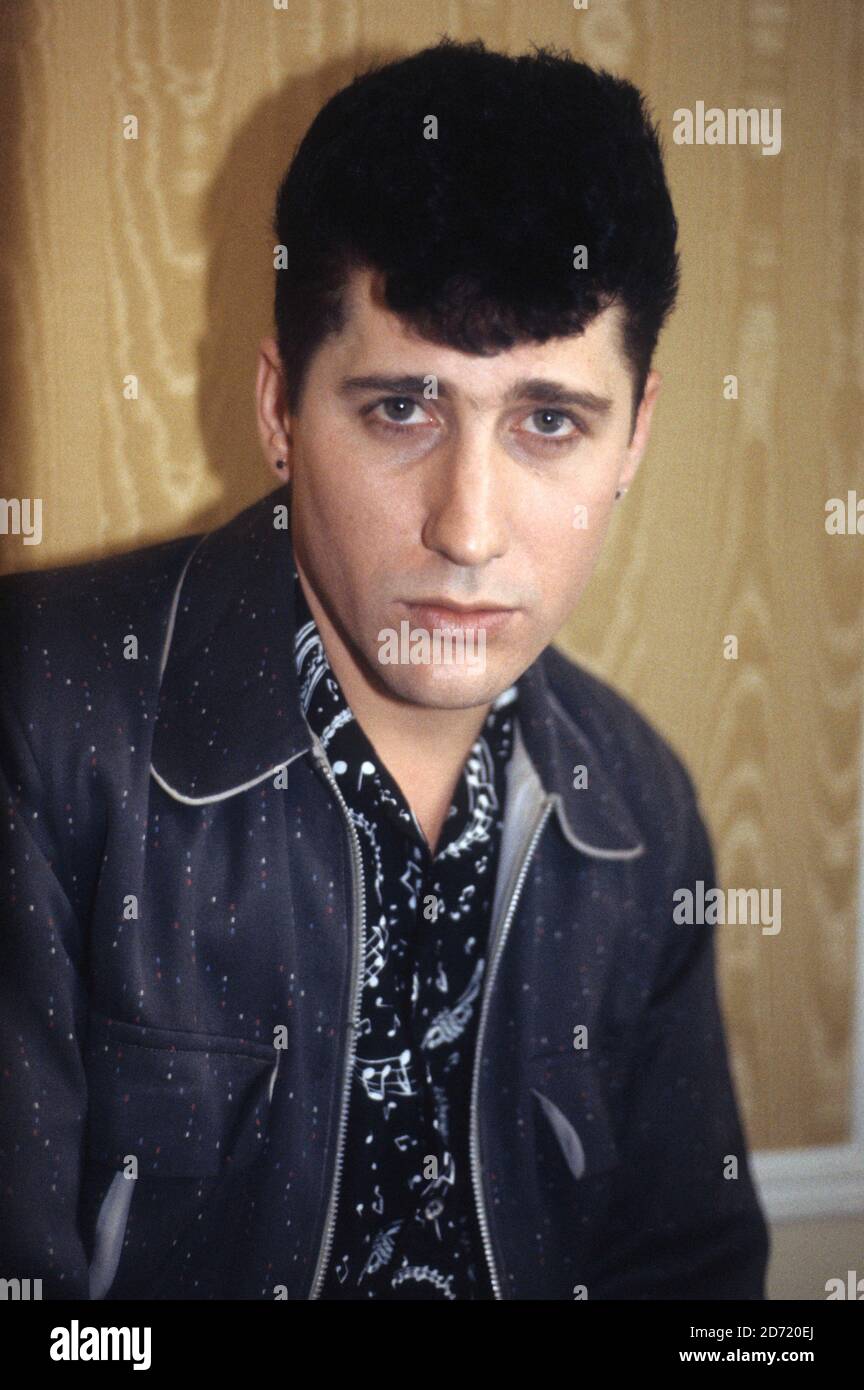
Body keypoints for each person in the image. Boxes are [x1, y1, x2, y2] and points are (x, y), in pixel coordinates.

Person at [0, 36, 769, 1300]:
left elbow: (693, 1286)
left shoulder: (640, 813)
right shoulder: (39, 721)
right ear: (278, 411)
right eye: (401, 409)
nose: (466, 528)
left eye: (549, 422)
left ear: (636, 437)